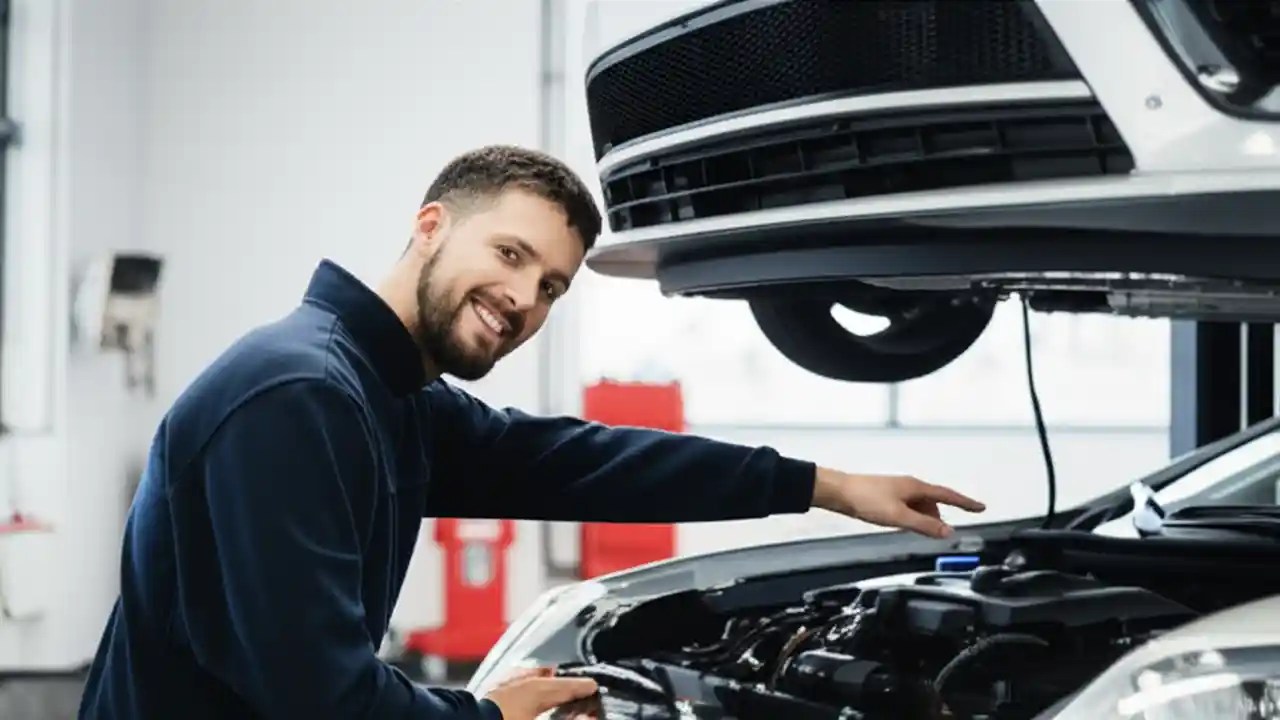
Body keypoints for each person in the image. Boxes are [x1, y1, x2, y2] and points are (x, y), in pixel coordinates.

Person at [78, 145, 986, 720]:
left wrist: (825, 485)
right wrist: (487, 716)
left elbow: (581, 462)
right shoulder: (299, 394)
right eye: (510, 254)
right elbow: (317, 696)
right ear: (430, 227)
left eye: (551, 286)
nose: (522, 298)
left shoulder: (389, 394)